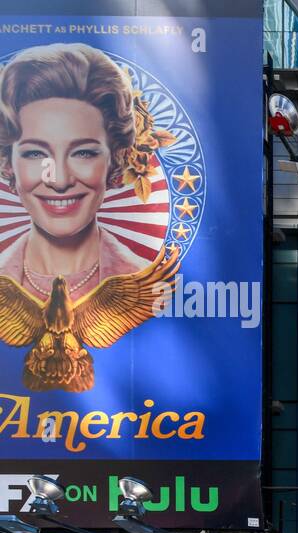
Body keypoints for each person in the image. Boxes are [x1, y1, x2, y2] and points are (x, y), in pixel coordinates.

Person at [0, 42, 178, 393]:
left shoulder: (132, 275)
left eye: (83, 152)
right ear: (9, 165)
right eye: (36, 153)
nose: (60, 179)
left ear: (115, 162)